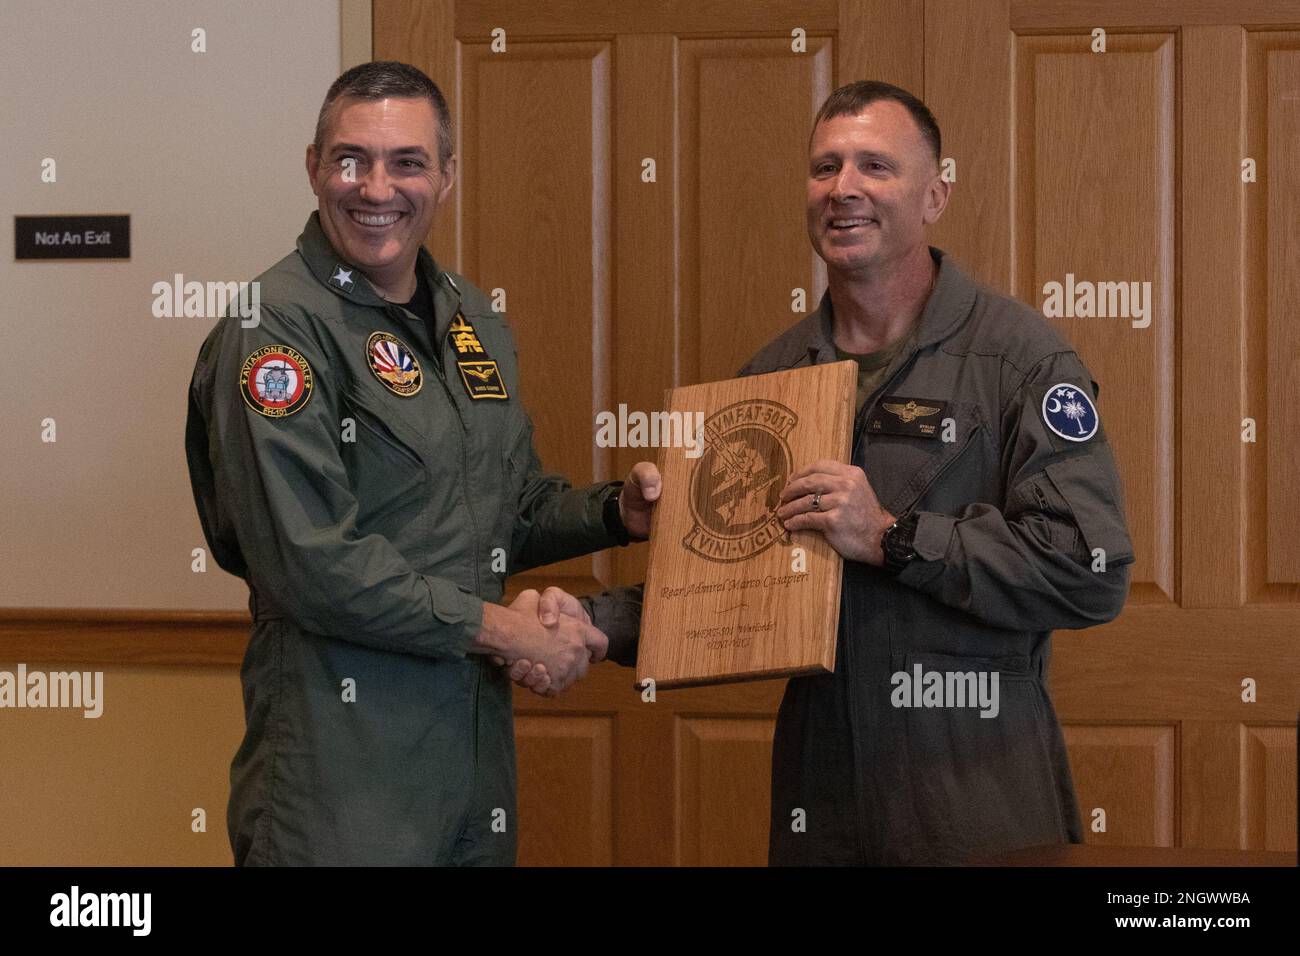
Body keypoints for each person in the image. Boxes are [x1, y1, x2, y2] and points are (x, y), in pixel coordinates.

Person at [522, 80, 1135, 865]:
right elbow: (722, 591)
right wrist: (594, 625)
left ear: (935, 194)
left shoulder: (1021, 361)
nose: (844, 188)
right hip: (824, 794)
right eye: (825, 168)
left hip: (978, 784)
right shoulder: (772, 379)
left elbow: (1091, 572)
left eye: (876, 166)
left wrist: (890, 536)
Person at [185, 60, 659, 866]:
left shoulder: (471, 318)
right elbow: (312, 563)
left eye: (406, 161)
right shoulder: (278, 329)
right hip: (341, 777)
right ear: (313, 167)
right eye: (349, 160)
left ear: (445, 176)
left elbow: (500, 513)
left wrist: (616, 512)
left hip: (471, 765)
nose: (376, 188)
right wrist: (504, 628)